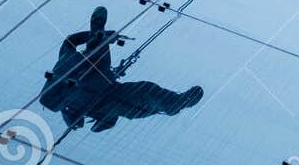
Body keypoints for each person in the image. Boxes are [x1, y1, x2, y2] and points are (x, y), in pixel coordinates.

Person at [39, 7, 204, 132]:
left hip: (103, 94)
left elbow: (71, 41)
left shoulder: (80, 57)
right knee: (139, 95)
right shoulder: (76, 59)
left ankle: (174, 103)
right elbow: (71, 41)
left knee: (142, 93)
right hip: (102, 100)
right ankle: (173, 103)